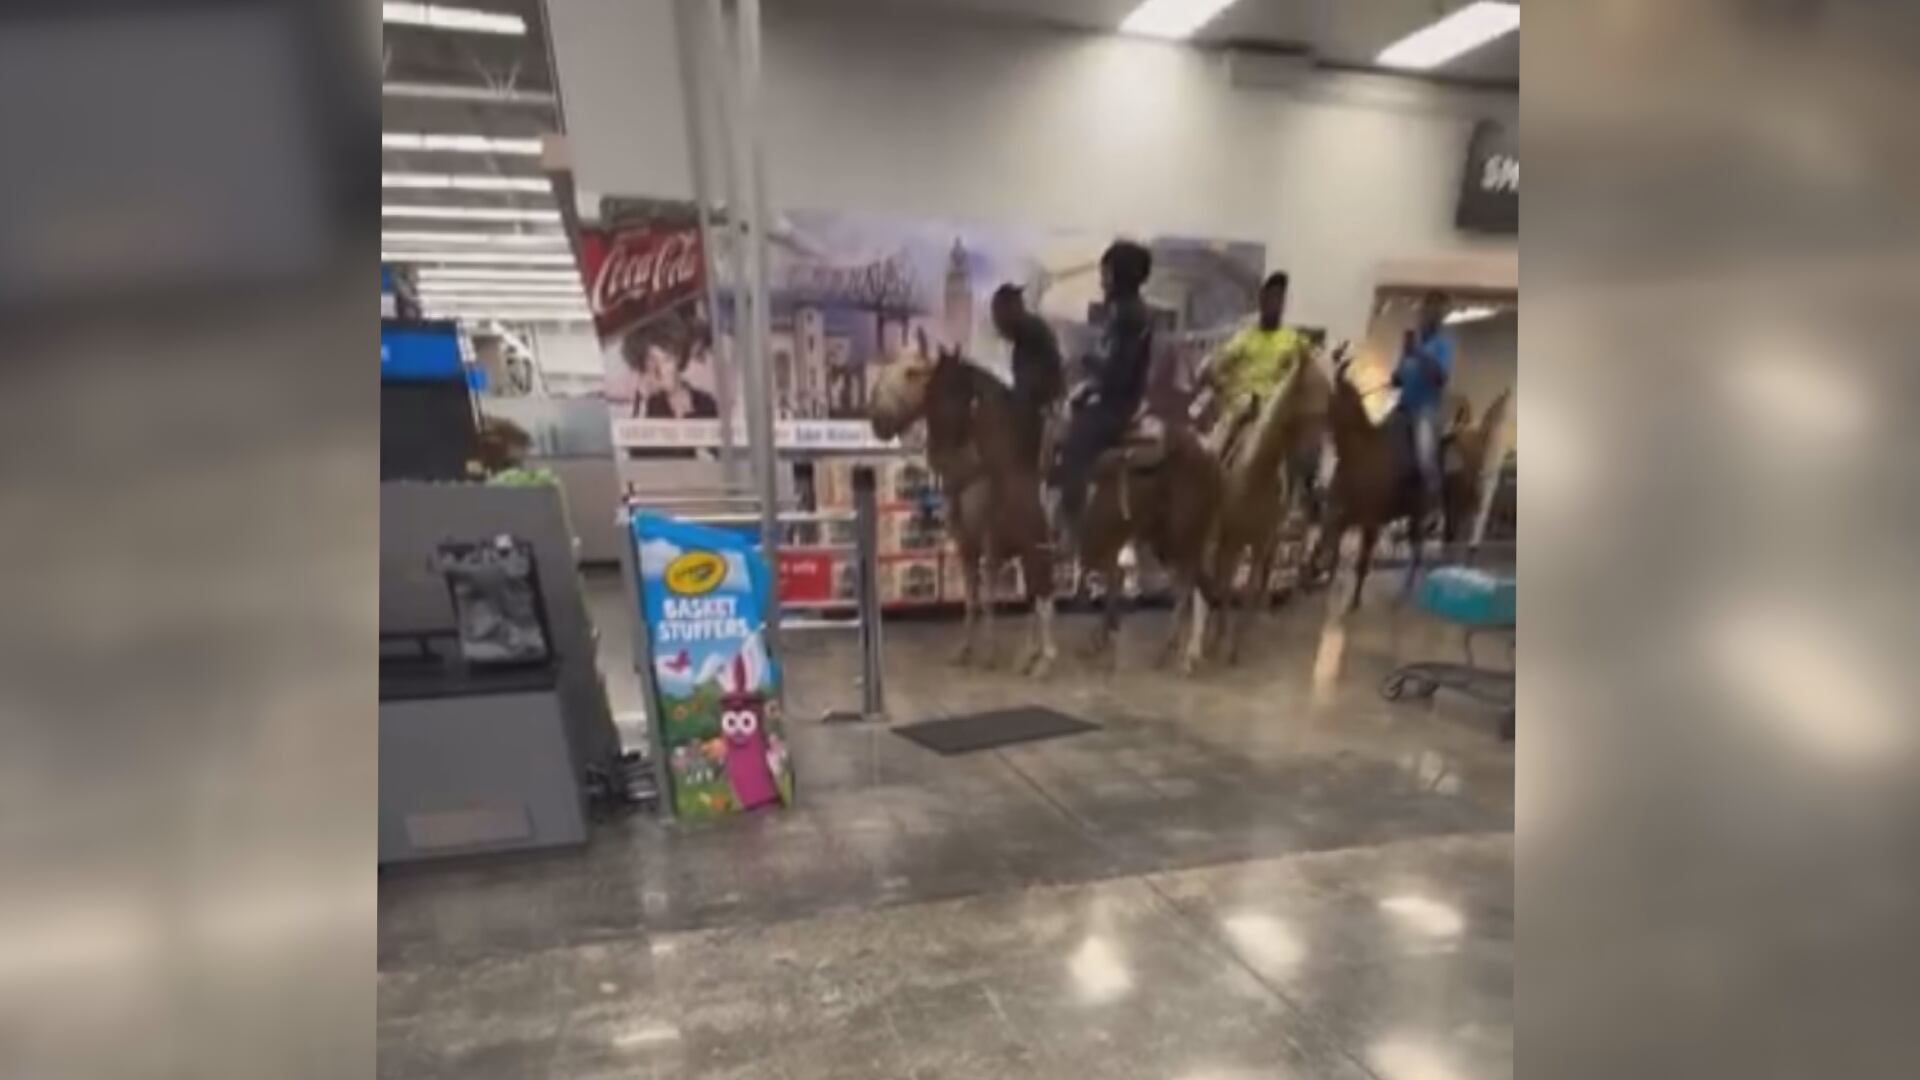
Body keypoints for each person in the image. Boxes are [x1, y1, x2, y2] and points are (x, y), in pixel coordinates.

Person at [1054, 240, 1156, 536]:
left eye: (1107, 273)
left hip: (1118, 404)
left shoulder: (1128, 315)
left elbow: (1116, 374)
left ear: (1120, 276)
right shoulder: (1124, 311)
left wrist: (1084, 362)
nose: (1102, 280)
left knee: (1076, 442)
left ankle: (1073, 526)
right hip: (1114, 396)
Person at [1200, 271, 1306, 457]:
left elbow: (1309, 369)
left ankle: (1305, 484)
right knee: (1213, 452)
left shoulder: (1293, 341)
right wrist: (1224, 389)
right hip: (1241, 411)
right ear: (1262, 302)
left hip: (1274, 414)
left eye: (1280, 299)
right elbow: (1213, 368)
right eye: (1271, 298)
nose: (1275, 304)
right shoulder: (1243, 339)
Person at [1391, 289, 1455, 515]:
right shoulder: (1411, 343)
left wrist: (1417, 354)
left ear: (1440, 317)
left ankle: (1433, 501)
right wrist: (1395, 376)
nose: (1428, 315)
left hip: (1426, 409)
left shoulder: (1442, 345)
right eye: (1426, 309)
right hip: (1403, 406)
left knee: (1424, 452)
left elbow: (1440, 378)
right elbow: (1399, 377)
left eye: (1435, 312)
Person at [989, 283, 1064, 470]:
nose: (996, 322)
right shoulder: (1026, 334)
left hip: (1045, 405)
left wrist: (1009, 399)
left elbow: (1030, 383)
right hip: (1041, 400)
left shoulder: (1030, 333)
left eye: (998, 315)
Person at [626, 316, 719, 420]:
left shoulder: (705, 403)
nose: (660, 369)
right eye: (652, 360)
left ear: (678, 358)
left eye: (667, 359)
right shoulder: (646, 405)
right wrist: (643, 400)